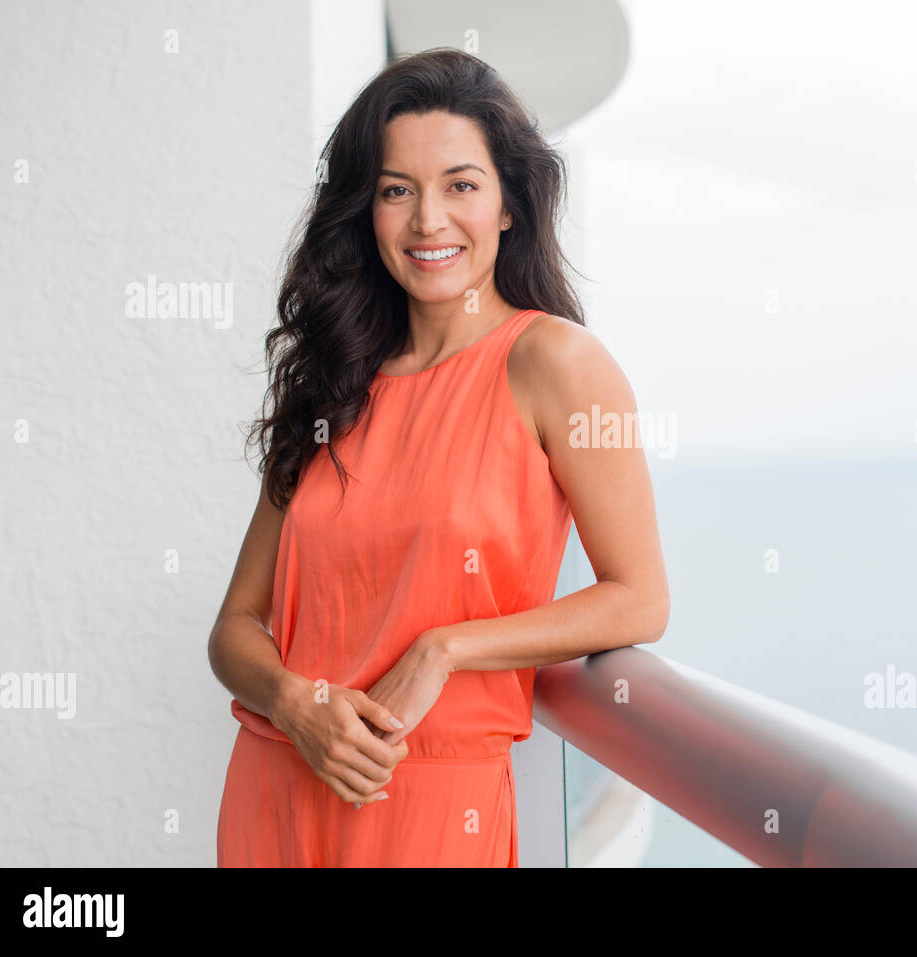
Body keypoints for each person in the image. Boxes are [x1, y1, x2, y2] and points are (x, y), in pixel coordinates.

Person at [208, 48, 669, 867]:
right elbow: (234, 627)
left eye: (460, 184)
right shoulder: (335, 379)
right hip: (276, 782)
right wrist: (296, 699)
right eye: (396, 190)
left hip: (430, 808)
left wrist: (447, 646)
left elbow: (638, 600)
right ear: (366, 209)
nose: (428, 220)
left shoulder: (554, 363)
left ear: (508, 206)